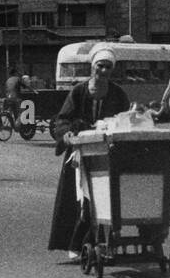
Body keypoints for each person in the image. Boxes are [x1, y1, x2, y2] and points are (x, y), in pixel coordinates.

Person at [47, 46, 132, 257]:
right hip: (80, 153)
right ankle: (75, 244)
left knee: (107, 199)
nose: (103, 71)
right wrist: (66, 134)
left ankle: (106, 244)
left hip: (108, 154)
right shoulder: (78, 91)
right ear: (92, 67)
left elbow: (125, 120)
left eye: (107, 67)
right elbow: (62, 119)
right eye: (100, 66)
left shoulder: (119, 94)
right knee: (80, 199)